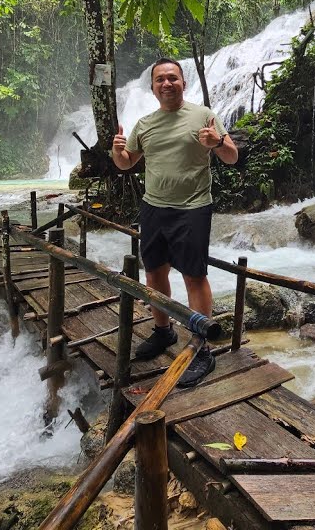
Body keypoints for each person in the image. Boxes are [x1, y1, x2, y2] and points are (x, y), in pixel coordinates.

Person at [111, 58, 238, 387]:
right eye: (160, 80)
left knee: (194, 275)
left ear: (183, 82)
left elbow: (232, 156)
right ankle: (164, 331)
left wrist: (218, 142)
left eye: (172, 78)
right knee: (154, 271)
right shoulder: (145, 124)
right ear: (152, 87)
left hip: (194, 207)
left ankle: (200, 346)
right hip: (154, 208)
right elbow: (127, 164)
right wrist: (117, 152)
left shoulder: (203, 116)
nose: (166, 84)